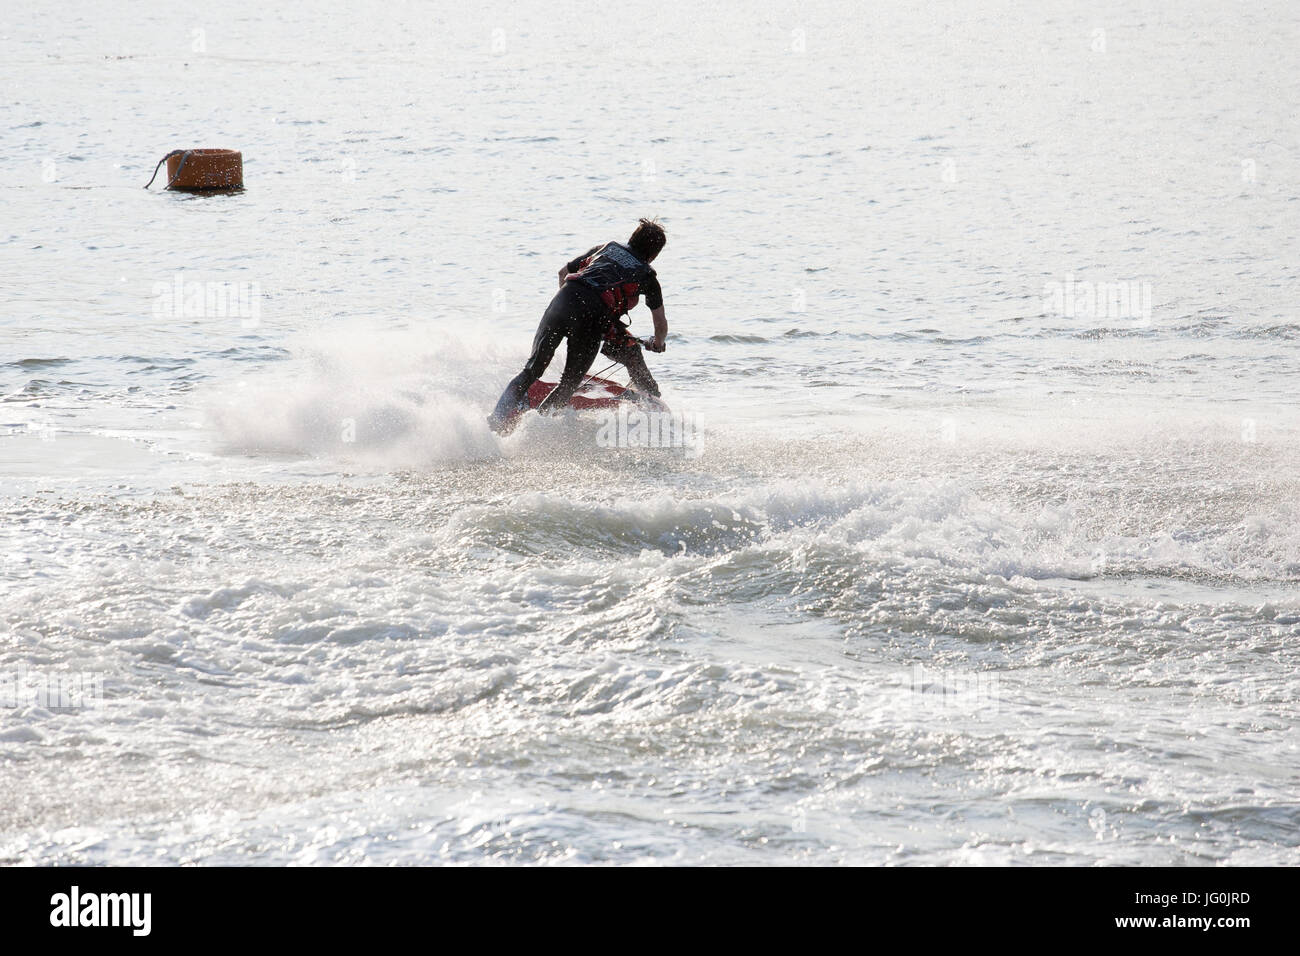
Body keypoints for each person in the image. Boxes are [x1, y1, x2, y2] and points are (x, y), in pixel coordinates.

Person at [489, 219, 668, 434]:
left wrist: (569, 307)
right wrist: (657, 342)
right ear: (654, 255)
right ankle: (532, 433)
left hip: (562, 301)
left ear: (632, 238)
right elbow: (660, 322)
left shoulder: (606, 248)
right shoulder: (647, 276)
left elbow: (562, 272)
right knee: (568, 384)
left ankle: (495, 424)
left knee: (531, 369)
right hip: (591, 316)